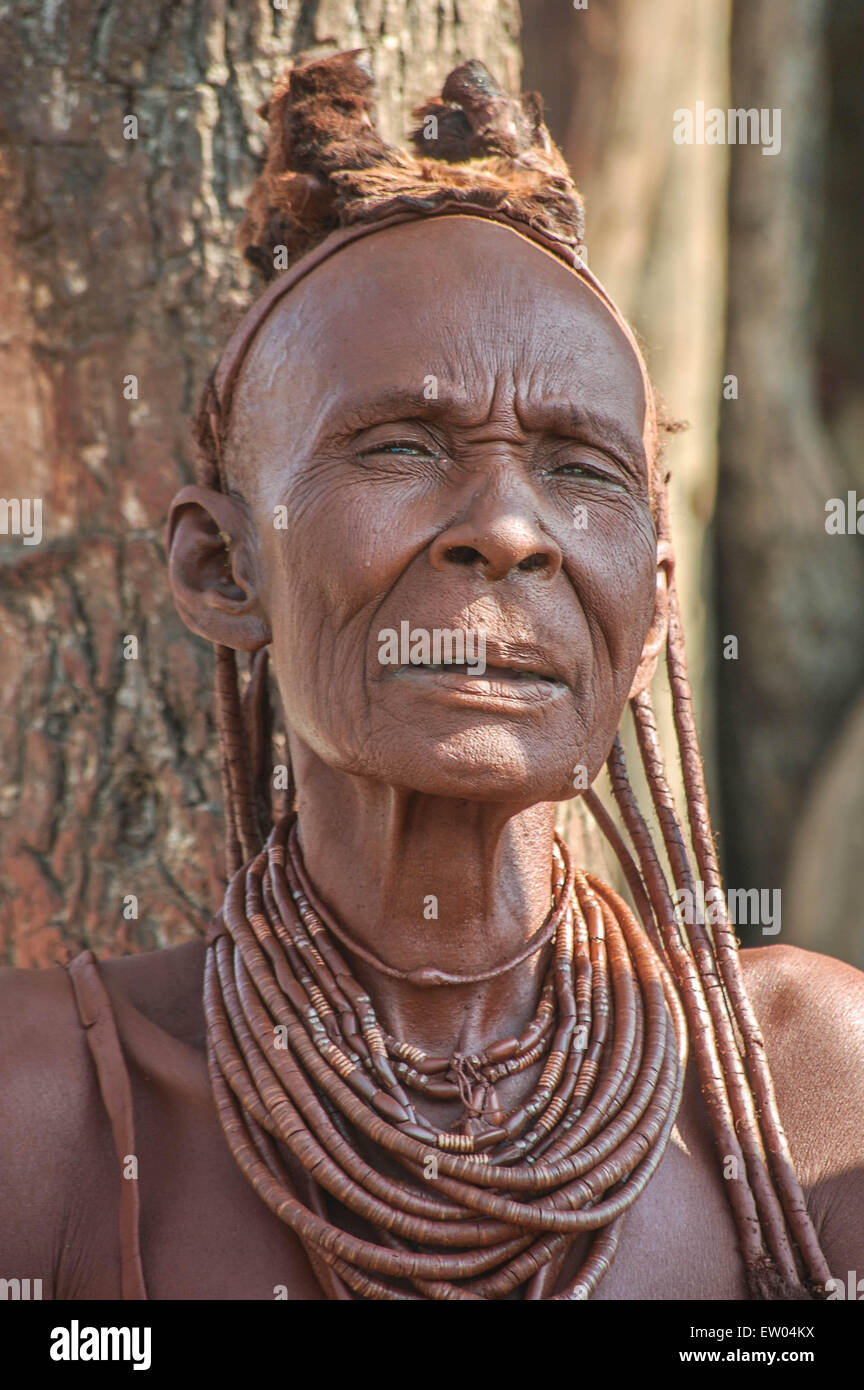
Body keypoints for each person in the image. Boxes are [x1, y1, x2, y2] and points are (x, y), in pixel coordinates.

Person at [2, 51, 863, 1302]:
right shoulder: (52, 1108)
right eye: (403, 445)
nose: (509, 529)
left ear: (654, 602)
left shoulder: (803, 1094)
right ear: (221, 569)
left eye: (579, 470)